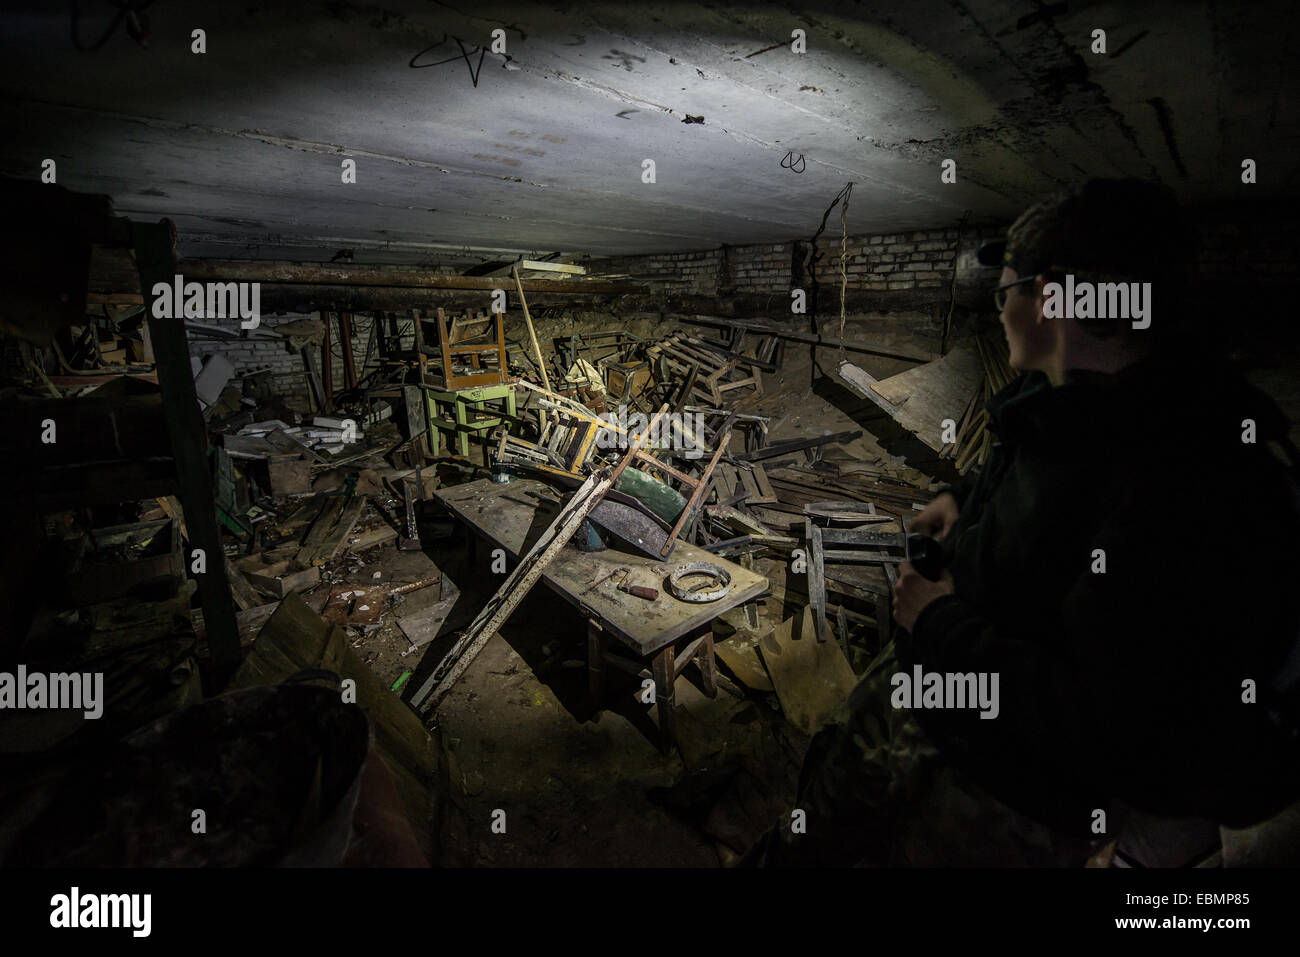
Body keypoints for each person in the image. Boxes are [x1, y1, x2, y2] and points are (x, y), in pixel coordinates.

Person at [747, 179, 1300, 866]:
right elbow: (1034, 483)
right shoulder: (1062, 401)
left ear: (1053, 301)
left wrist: (941, 625)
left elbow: (1123, 730)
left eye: (1006, 288)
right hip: (921, 722)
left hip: (999, 802)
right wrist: (964, 495)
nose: (999, 309)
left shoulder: (1193, 481)